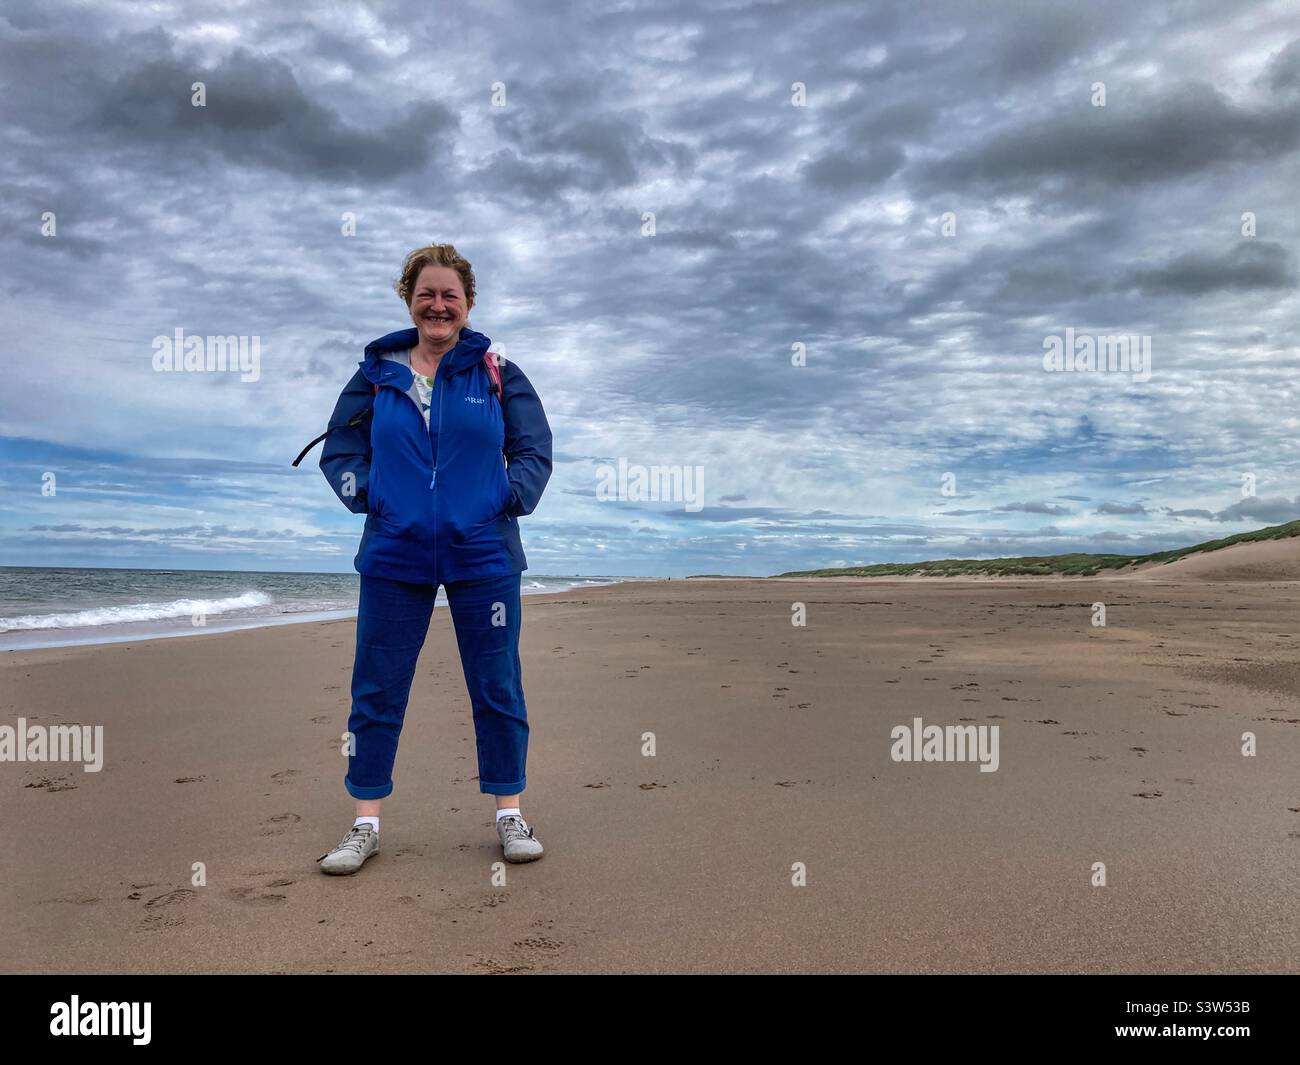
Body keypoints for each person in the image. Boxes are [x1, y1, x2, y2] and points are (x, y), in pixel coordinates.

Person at [313, 242, 552, 874]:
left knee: (497, 684)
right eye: (427, 294)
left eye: (450, 295)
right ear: (409, 300)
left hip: (485, 554)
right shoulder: (376, 374)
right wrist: (373, 499)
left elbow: (534, 449)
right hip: (395, 553)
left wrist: (507, 496)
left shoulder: (499, 372)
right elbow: (339, 452)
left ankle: (509, 811)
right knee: (376, 690)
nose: (438, 305)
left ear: (469, 304)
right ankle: (364, 823)